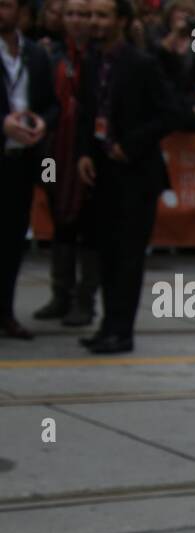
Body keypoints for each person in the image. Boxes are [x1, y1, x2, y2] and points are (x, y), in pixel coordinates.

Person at [75, 0, 174, 354]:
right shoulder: (91, 61)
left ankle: (122, 329)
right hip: (103, 170)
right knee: (106, 252)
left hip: (135, 174)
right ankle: (107, 324)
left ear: (120, 20)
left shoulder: (141, 63)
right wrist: (85, 152)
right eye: (91, 16)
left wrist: (130, 145)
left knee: (128, 256)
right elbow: (89, 112)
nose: (95, 23)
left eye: (102, 16)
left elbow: (168, 113)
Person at [1, 0, 58, 341]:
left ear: (21, 12)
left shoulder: (36, 54)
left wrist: (41, 123)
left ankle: (5, 311)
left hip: (22, 161)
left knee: (12, 241)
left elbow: (52, 104)